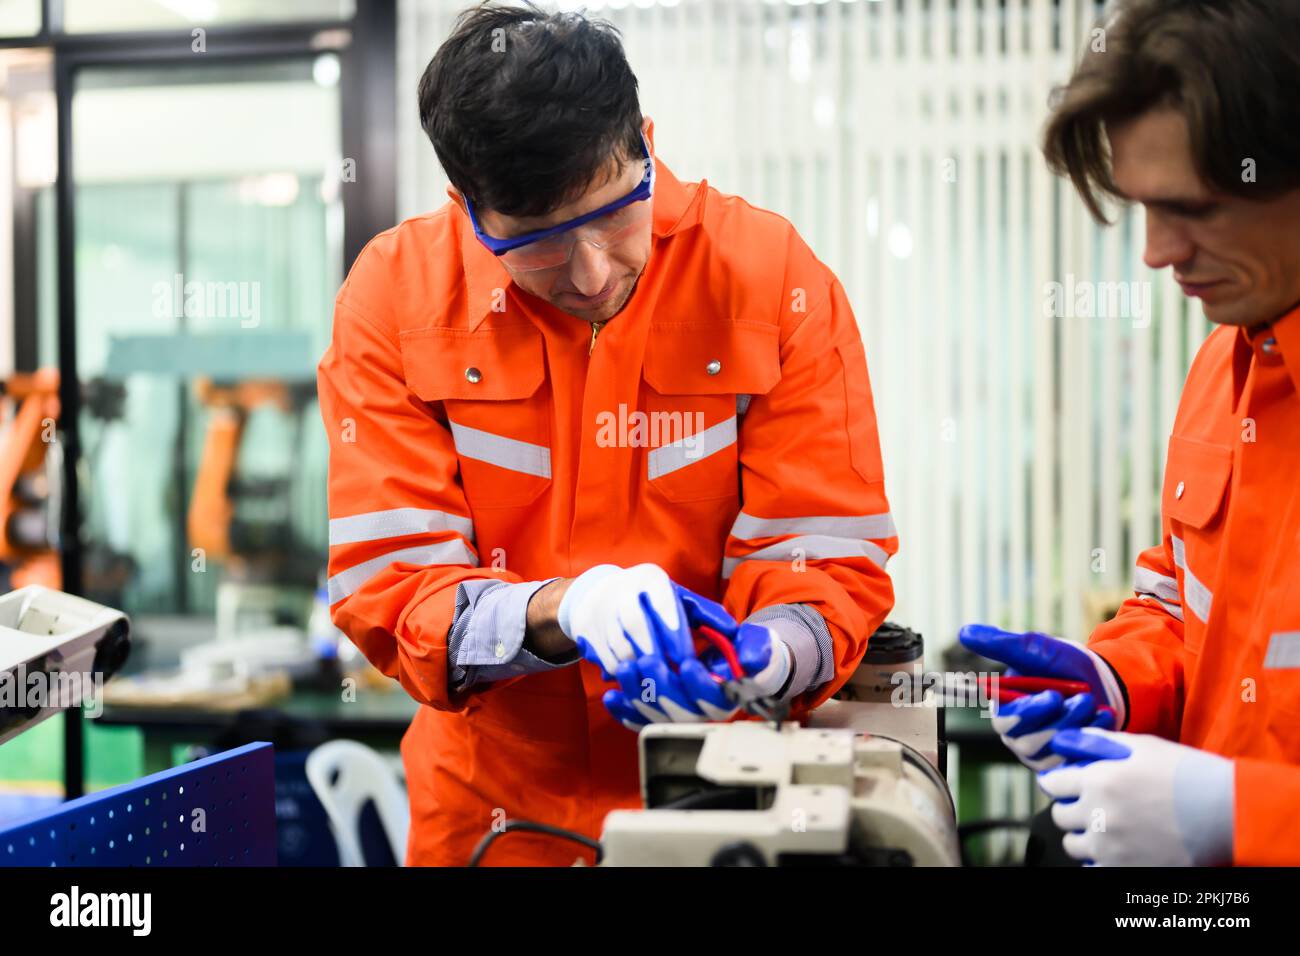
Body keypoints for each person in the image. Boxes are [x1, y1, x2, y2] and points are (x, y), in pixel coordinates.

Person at [316, 2, 896, 866]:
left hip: (729, 795)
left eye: (616, 211)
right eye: (540, 242)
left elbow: (826, 552)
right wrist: (559, 611)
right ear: (466, 207)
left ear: (646, 144)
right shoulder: (396, 299)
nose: (591, 272)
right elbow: (392, 585)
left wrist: (775, 656)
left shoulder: (771, 280)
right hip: (492, 821)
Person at [962, 0, 1300, 866]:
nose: (1155, 253)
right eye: (1141, 207)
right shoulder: (1226, 363)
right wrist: (1113, 679)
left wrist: (1245, 816)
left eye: (1195, 208)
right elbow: (1182, 600)